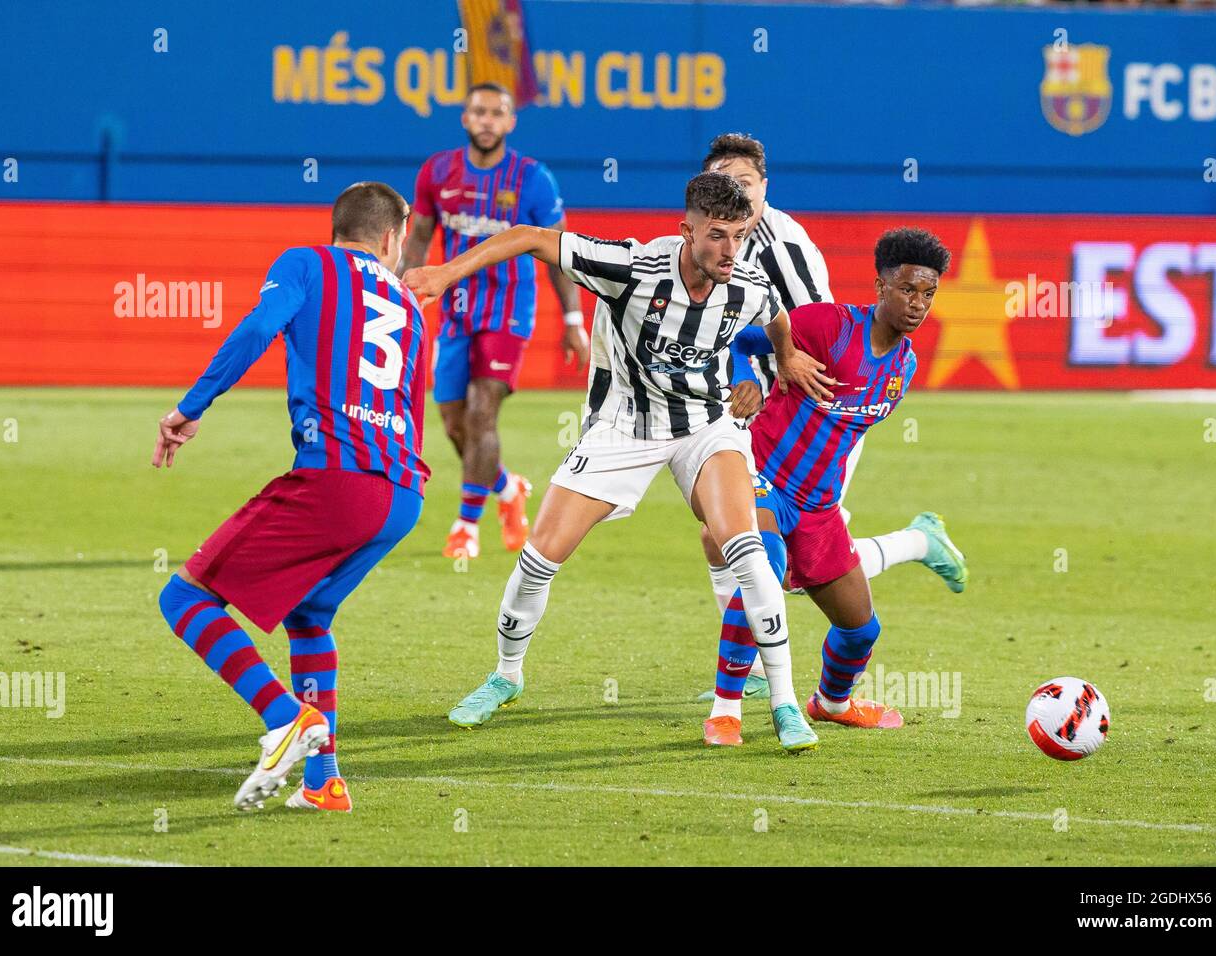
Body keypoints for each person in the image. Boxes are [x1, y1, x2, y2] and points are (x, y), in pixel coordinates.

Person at [406, 172, 833, 752]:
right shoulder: (631, 268)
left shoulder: (747, 284)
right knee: (538, 558)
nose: (730, 250)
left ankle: (784, 702)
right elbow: (533, 236)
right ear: (686, 232)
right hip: (622, 429)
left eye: (739, 235)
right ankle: (505, 676)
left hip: (704, 429)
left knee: (748, 547)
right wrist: (444, 273)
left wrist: (784, 359)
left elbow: (776, 312)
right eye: (716, 236)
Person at [152, 182, 429, 811]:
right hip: (402, 494)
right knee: (309, 615)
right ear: (392, 236)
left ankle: (287, 717)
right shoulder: (410, 307)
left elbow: (259, 329)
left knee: (184, 597)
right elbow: (412, 407)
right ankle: (322, 780)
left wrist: (191, 407)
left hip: (338, 481)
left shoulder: (307, 262)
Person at [694, 133, 968, 703]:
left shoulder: (785, 248)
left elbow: (812, 331)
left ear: (764, 188)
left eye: (744, 182)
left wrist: (785, 362)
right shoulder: (714, 240)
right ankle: (736, 688)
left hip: (808, 405)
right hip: (759, 415)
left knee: (775, 565)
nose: (919, 301)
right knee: (732, 545)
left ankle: (916, 544)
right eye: (724, 184)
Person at [400, 82, 589, 560]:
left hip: (508, 314)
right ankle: (507, 489)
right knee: (454, 422)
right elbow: (419, 241)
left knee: (483, 412)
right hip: (455, 313)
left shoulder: (532, 178)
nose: (486, 120)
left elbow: (558, 252)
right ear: (465, 119)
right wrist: (400, 295)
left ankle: (466, 526)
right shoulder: (437, 172)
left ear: (510, 122)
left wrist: (572, 318)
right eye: (478, 112)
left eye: (496, 113)